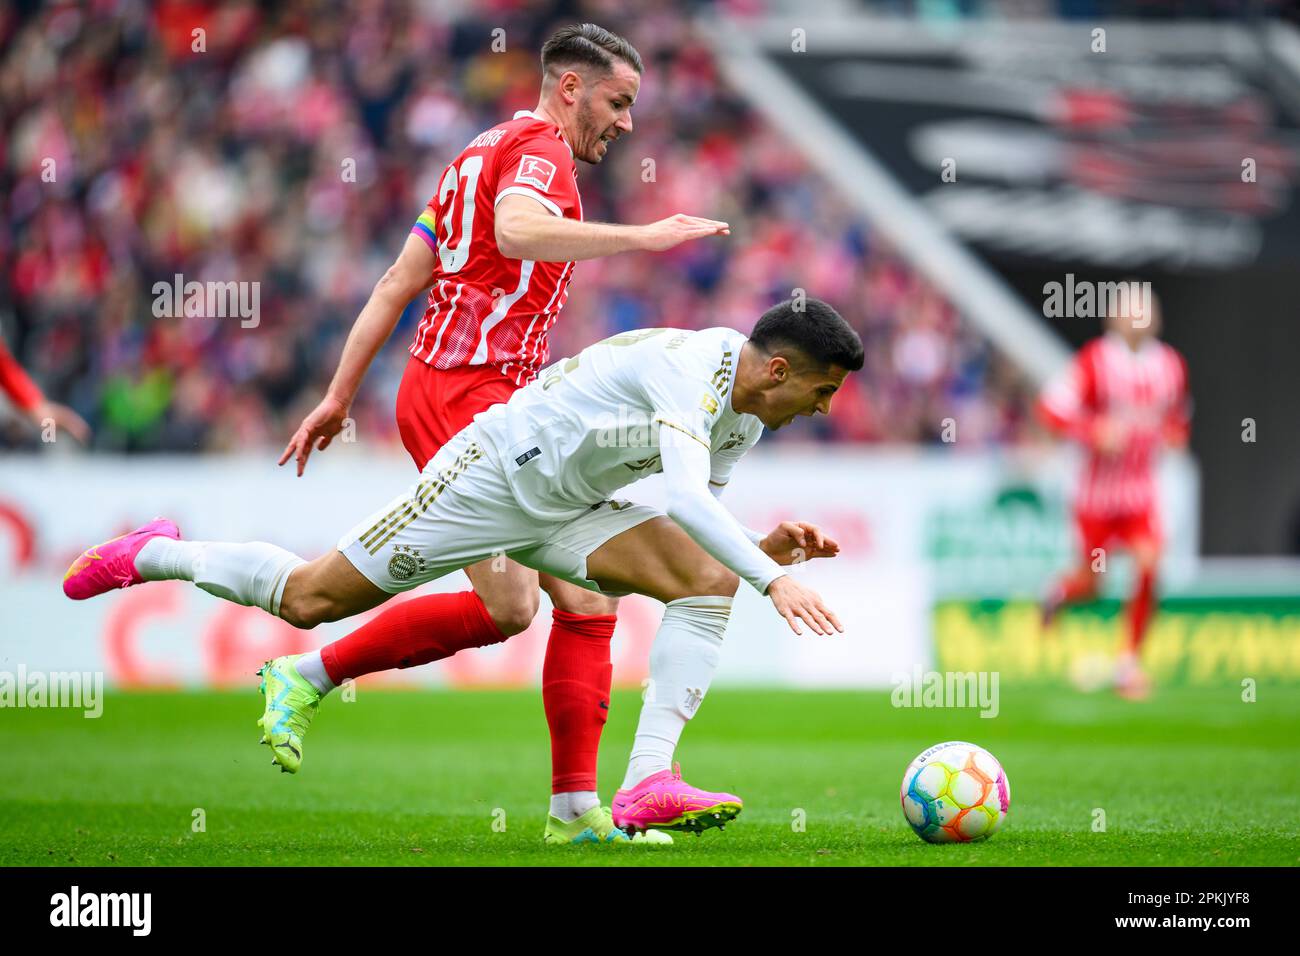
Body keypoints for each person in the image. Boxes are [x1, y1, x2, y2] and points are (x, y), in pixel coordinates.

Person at [65, 298, 863, 841]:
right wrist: (775, 579)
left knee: (706, 580)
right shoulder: (688, 371)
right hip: (493, 477)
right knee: (311, 597)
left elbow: (690, 520)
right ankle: (156, 551)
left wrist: (761, 550)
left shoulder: (745, 420)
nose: (824, 410)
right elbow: (688, 498)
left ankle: (647, 780)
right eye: (823, 392)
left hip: (570, 506)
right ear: (781, 372)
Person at [274, 23, 730, 838]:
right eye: (617, 102)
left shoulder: (473, 154)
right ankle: (308, 672)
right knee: (524, 602)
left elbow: (395, 281)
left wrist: (340, 394)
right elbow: (520, 231)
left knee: (574, 600)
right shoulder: (541, 151)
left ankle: (574, 809)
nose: (625, 123)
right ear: (568, 88)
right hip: (471, 399)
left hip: (467, 394)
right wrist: (645, 238)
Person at [1039, 288, 1191, 699]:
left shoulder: (1171, 367)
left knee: (1148, 564)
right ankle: (1057, 593)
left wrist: (1175, 436)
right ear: (1113, 317)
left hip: (1141, 495)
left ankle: (1129, 665)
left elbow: (1177, 420)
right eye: (1132, 311)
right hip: (1095, 498)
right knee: (1094, 585)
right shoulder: (1093, 362)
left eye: (1147, 311)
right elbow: (1051, 410)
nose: (1140, 319)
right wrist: (1092, 432)